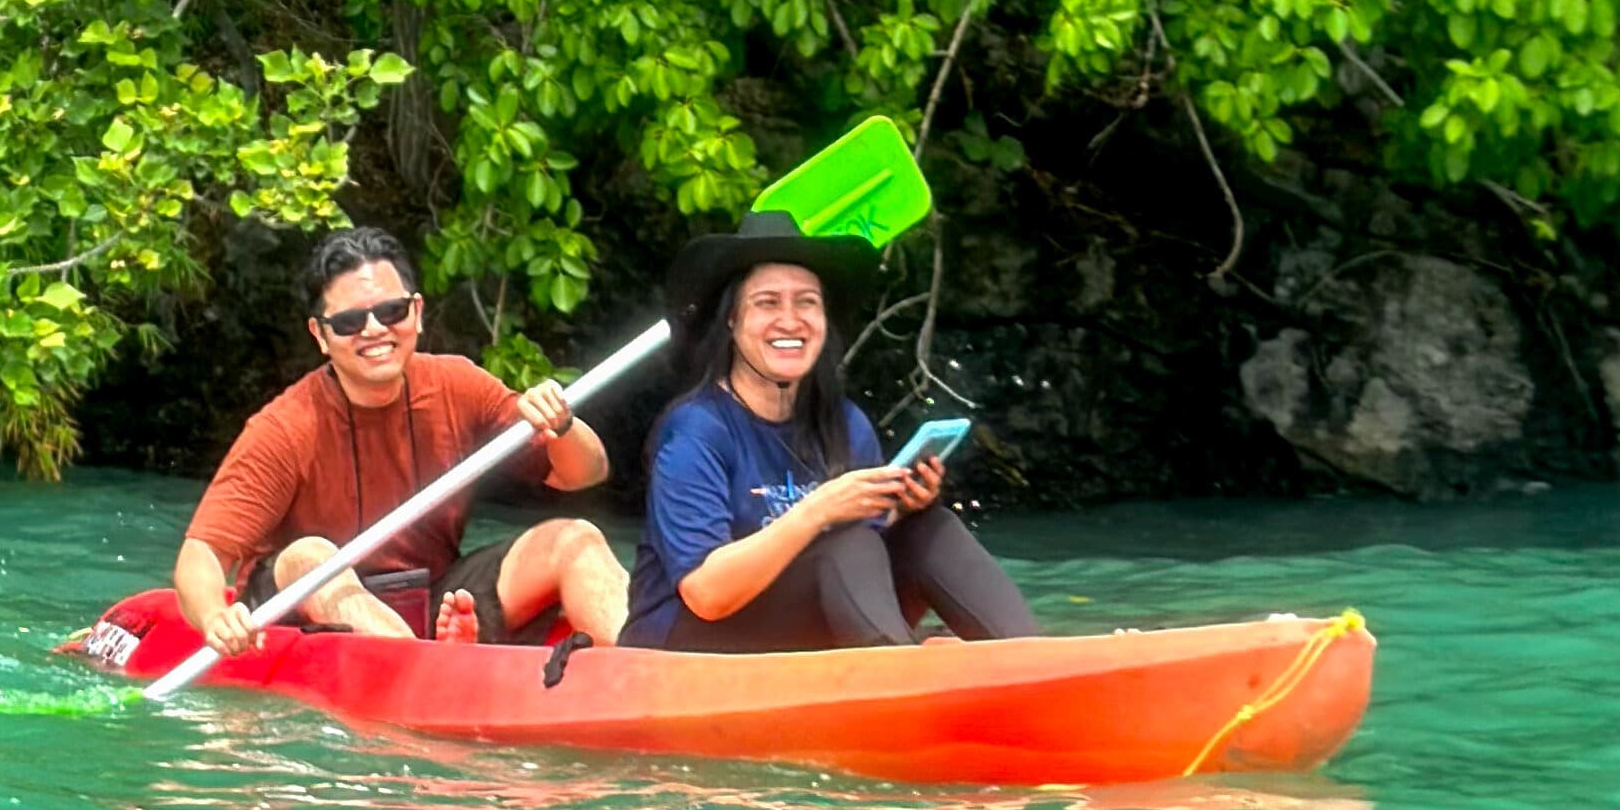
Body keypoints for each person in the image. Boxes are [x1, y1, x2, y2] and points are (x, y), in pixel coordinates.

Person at [171, 226, 625, 655]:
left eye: (391, 311)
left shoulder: (460, 386)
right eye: (350, 321)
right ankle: (430, 667)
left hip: (431, 596)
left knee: (576, 538)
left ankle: (644, 664)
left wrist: (561, 426)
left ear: (417, 312)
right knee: (311, 556)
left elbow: (585, 473)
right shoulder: (285, 428)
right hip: (304, 606)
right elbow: (202, 553)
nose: (374, 330)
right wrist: (214, 616)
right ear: (321, 335)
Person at [627, 210, 1040, 651]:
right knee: (849, 546)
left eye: (806, 302)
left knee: (927, 528)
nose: (790, 320)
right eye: (767, 303)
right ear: (732, 320)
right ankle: (899, 672)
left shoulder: (845, 422)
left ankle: (1036, 660)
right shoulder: (696, 429)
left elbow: (868, 560)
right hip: (687, 643)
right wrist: (817, 511)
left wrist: (901, 506)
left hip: (803, 621)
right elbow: (705, 594)